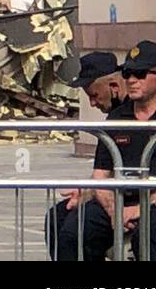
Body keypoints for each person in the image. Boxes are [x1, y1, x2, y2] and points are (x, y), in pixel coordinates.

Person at [54, 40, 156, 261]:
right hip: (122, 200)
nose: (132, 80)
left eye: (140, 74)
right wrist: (115, 210)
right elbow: (100, 175)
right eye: (128, 73)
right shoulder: (117, 118)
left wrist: (141, 208)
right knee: (73, 233)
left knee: (147, 237)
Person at [45, 51, 125, 258]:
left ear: (112, 86)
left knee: (76, 230)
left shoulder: (130, 115)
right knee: (56, 218)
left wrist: (111, 207)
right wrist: (87, 191)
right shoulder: (113, 120)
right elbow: (103, 172)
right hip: (113, 192)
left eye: (94, 95)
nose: (92, 103)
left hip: (132, 197)